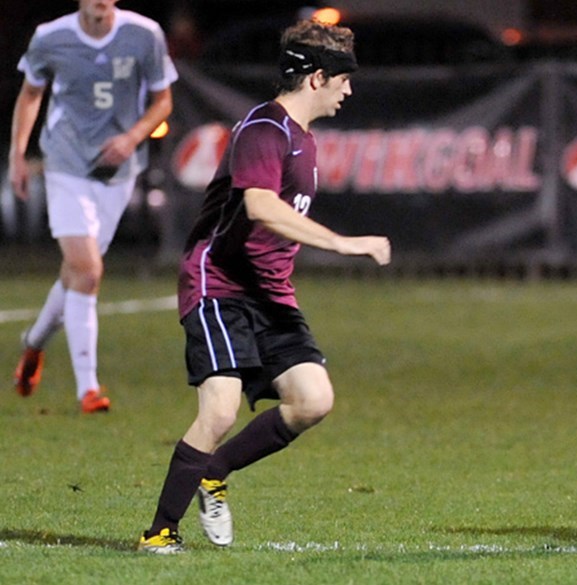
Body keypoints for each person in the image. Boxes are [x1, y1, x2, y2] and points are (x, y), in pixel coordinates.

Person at [136, 19, 391, 554]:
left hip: (270, 294)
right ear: (317, 78)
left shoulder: (304, 140)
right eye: (344, 79)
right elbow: (259, 206)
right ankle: (159, 533)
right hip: (219, 284)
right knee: (220, 410)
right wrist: (343, 244)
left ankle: (214, 472)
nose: (349, 91)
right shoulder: (264, 130)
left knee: (313, 400)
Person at [9, 0, 177, 413]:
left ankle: (34, 343)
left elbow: (163, 101)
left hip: (118, 170)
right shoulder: (51, 37)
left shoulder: (144, 34)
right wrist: (17, 153)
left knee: (77, 272)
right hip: (65, 162)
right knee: (87, 270)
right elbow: (30, 94)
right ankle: (88, 388)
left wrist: (132, 137)